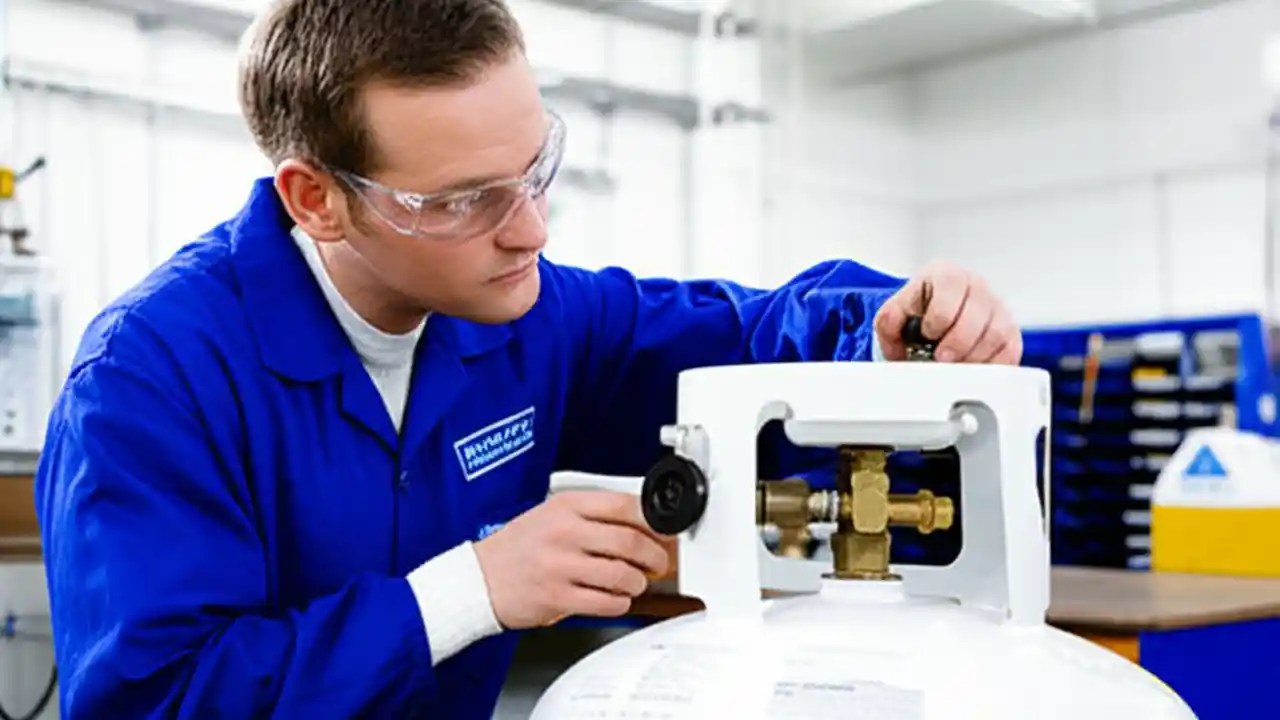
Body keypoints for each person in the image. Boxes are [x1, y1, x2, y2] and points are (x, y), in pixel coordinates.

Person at [32, 1, 1023, 717]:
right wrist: (468, 591)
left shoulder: (522, 317)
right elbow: (153, 700)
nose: (532, 231)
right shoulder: (148, 384)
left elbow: (743, 333)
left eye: (534, 169)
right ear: (313, 198)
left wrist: (884, 330)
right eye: (462, 199)